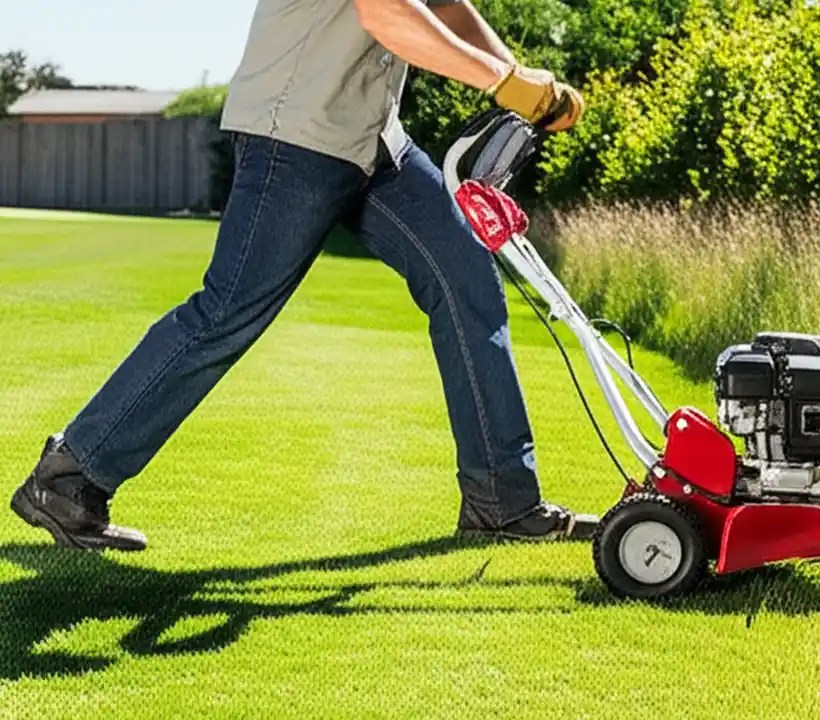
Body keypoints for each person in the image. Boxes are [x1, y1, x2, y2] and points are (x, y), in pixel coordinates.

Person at [9, 0, 597, 551]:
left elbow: (444, 7)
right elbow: (385, 12)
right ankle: (68, 478)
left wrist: (524, 86)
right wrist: (501, 80)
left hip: (375, 143)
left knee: (465, 279)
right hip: (293, 135)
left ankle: (501, 500)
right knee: (226, 313)